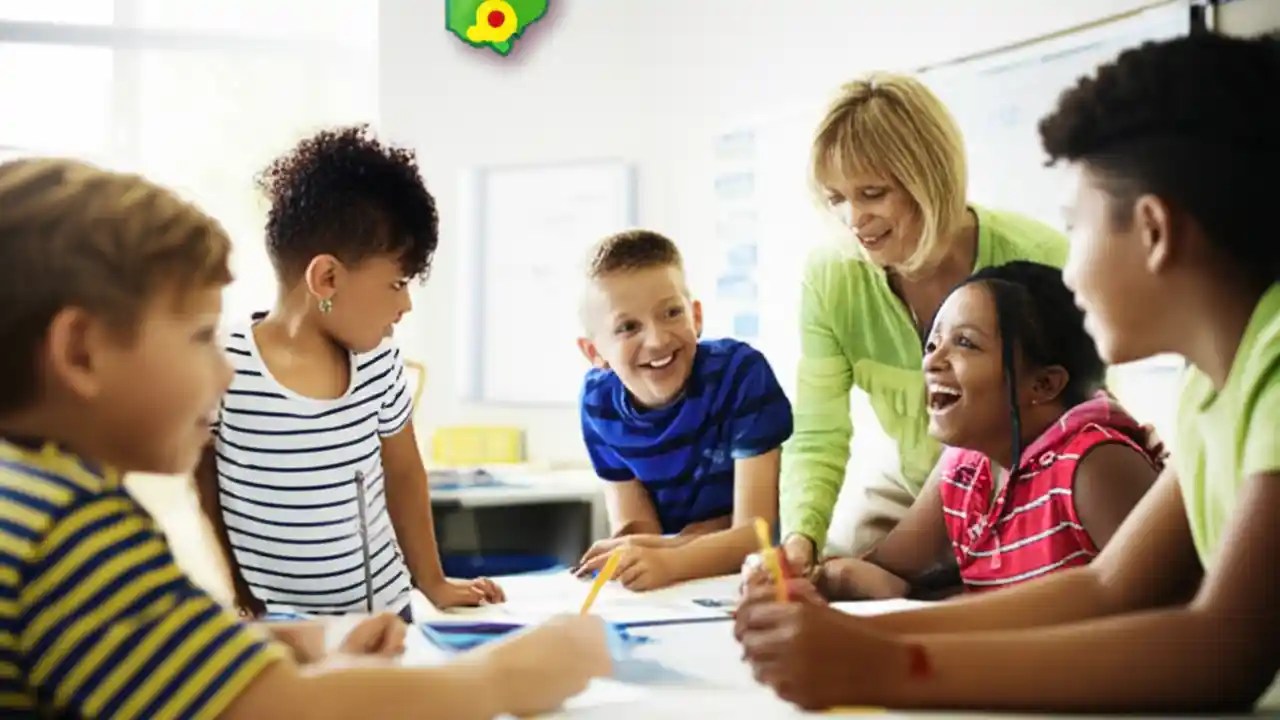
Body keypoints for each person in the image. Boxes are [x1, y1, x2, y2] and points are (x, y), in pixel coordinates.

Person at [735, 34, 1280, 713]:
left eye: (1076, 228)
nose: (1065, 272)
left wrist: (884, 664)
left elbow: (1221, 651)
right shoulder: (1213, 384)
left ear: (1153, 231)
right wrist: (860, 637)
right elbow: (1107, 586)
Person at [0, 157, 610, 718]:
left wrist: (303, 637)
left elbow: (149, 645)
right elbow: (281, 711)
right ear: (81, 352)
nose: (224, 372)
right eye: (199, 338)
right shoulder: (72, 530)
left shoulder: (26, 499)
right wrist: (502, 678)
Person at [194, 126, 502, 619]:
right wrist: (232, 589)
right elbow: (203, 484)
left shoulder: (380, 363)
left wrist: (433, 582)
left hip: (385, 617)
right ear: (327, 278)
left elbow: (404, 474)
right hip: (279, 627)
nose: (405, 305)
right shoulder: (222, 365)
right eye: (397, 283)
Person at [780, 71, 1069, 578]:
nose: (853, 219)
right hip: (911, 488)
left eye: (872, 193)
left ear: (930, 179)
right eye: (836, 199)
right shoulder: (831, 277)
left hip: (1026, 488)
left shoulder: (1038, 257)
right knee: (832, 568)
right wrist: (800, 540)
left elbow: (1073, 416)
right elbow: (818, 431)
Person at [763, 262, 1159, 602]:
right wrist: (812, 578)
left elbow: (1161, 619)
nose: (932, 361)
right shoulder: (965, 467)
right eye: (932, 343)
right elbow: (884, 570)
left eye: (965, 343)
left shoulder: (1094, 465)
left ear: (1043, 384)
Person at [572, 230, 794, 590]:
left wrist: (673, 557)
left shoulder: (740, 375)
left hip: (749, 579)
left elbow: (758, 535)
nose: (657, 340)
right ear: (594, 352)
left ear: (696, 316)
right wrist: (688, 541)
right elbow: (637, 531)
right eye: (628, 327)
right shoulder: (599, 404)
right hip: (679, 590)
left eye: (671, 313)